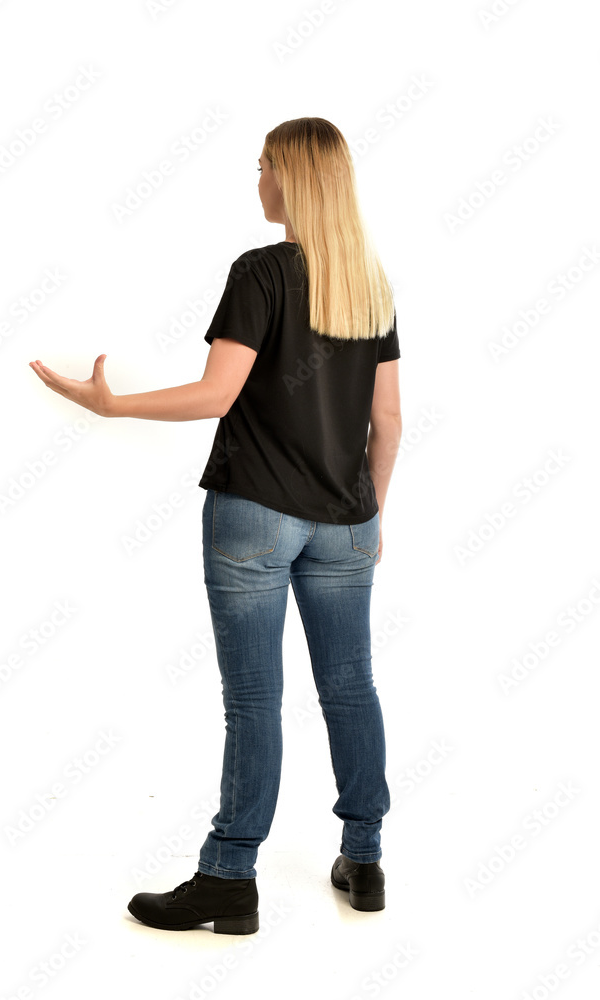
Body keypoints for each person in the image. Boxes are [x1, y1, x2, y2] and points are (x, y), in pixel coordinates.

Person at [29, 117, 402, 936]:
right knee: (350, 687)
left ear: (293, 179)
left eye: (265, 164)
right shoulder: (367, 282)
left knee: (254, 700)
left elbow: (214, 395)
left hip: (255, 518)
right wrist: (368, 513)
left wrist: (111, 402)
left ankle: (230, 878)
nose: (256, 176)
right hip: (345, 524)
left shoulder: (261, 272)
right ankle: (364, 861)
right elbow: (388, 416)